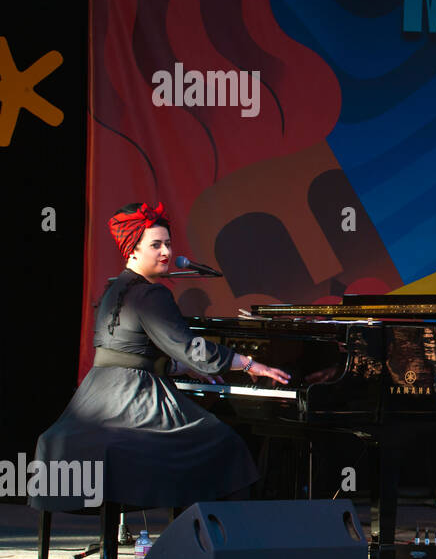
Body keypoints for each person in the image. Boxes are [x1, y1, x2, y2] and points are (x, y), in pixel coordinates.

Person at [29, 202, 291, 512]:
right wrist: (248, 363)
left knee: (201, 444)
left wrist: (182, 366)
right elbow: (192, 348)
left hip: (97, 395)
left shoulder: (115, 288)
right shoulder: (152, 294)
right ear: (133, 250)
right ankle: (220, 538)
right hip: (132, 399)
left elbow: (133, 350)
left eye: (167, 243)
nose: (166, 251)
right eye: (156, 245)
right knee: (224, 443)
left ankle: (190, 529)